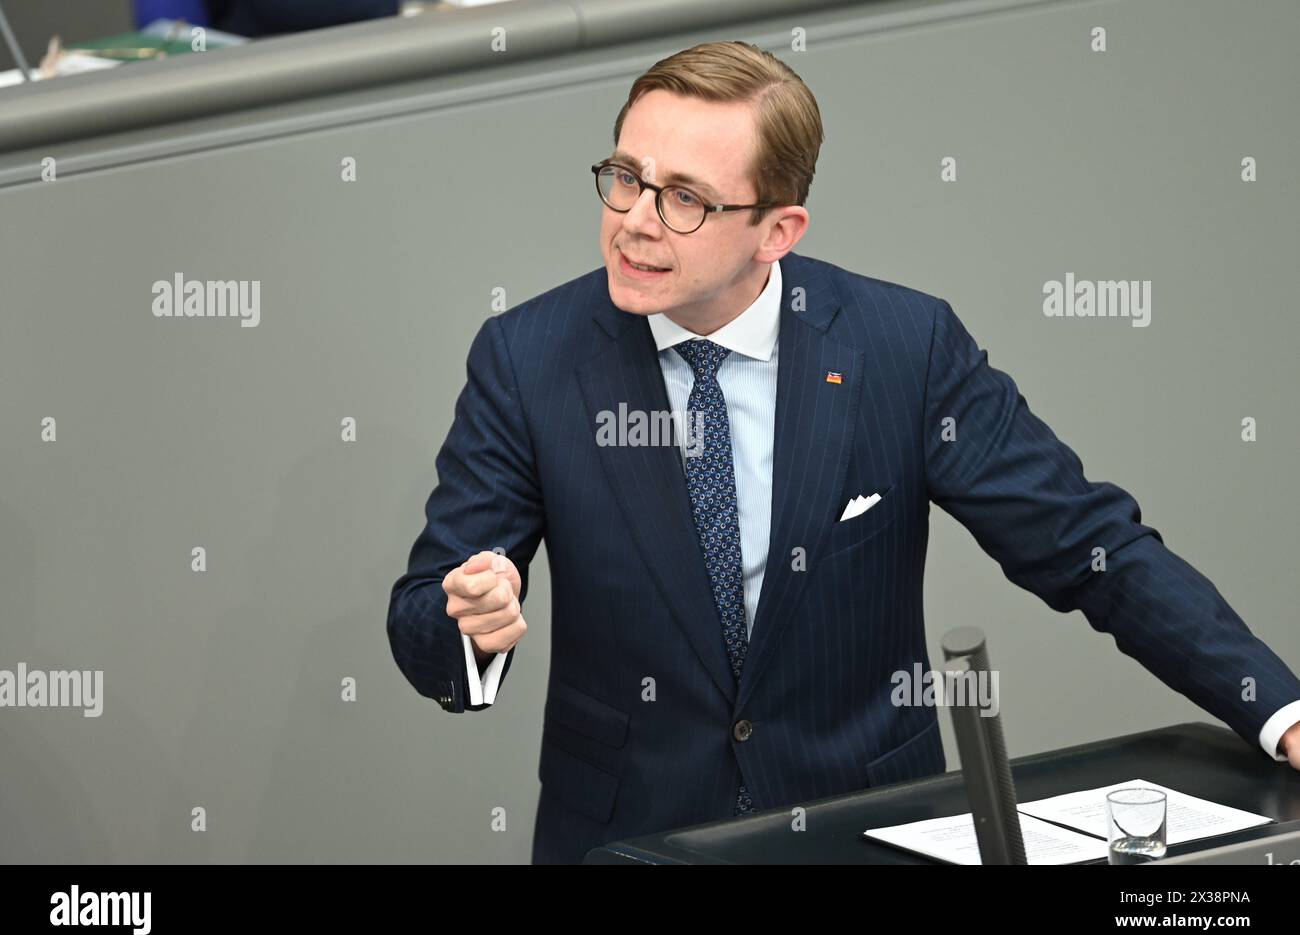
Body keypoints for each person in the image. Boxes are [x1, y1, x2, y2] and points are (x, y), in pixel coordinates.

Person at [387, 41, 1300, 865]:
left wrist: (1279, 709)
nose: (634, 219)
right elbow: (427, 607)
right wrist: (467, 621)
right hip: (633, 838)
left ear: (777, 232)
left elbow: (1092, 549)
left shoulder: (903, 346)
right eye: (625, 176)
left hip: (860, 827)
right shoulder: (529, 357)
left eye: (686, 200)